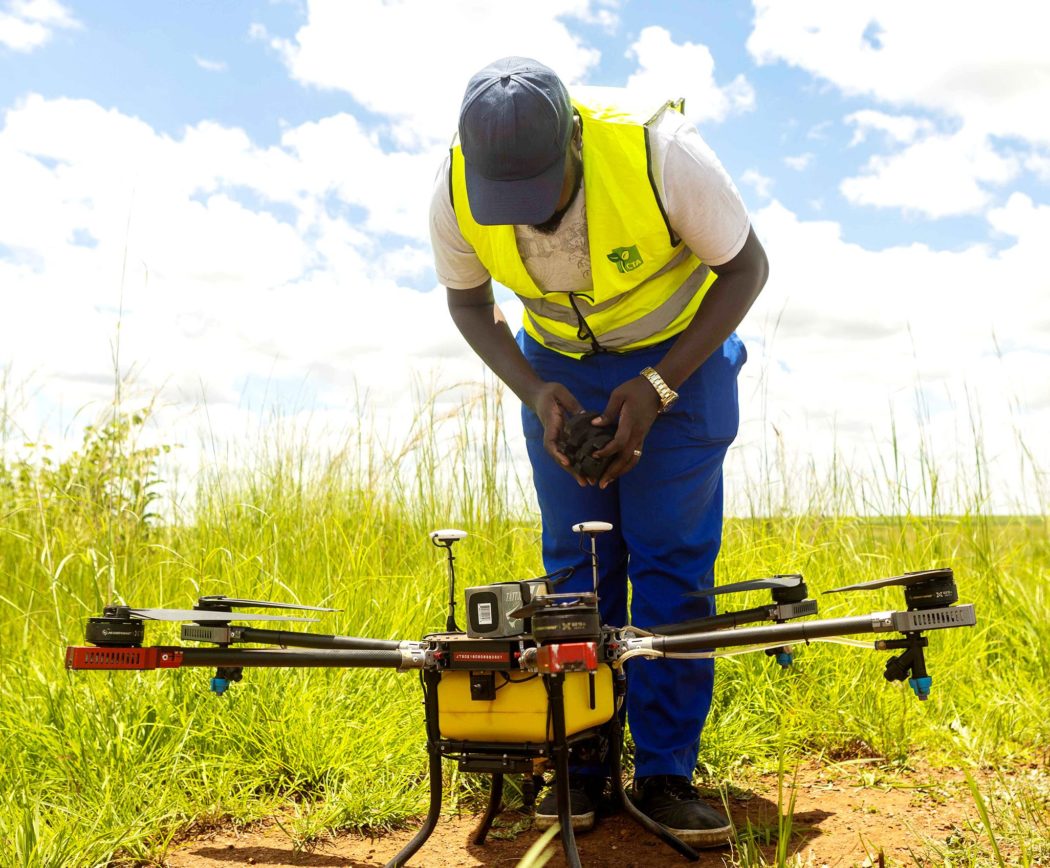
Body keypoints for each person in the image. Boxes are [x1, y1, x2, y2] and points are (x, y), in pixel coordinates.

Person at [429, 56, 768, 847]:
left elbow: (746, 268)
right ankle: (581, 758)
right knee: (574, 574)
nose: (528, 218)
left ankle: (664, 772)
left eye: (541, 191)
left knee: (670, 563)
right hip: (555, 369)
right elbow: (469, 302)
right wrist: (535, 393)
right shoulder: (453, 187)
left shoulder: (662, 152)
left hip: (680, 354)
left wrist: (657, 387)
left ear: (575, 142)